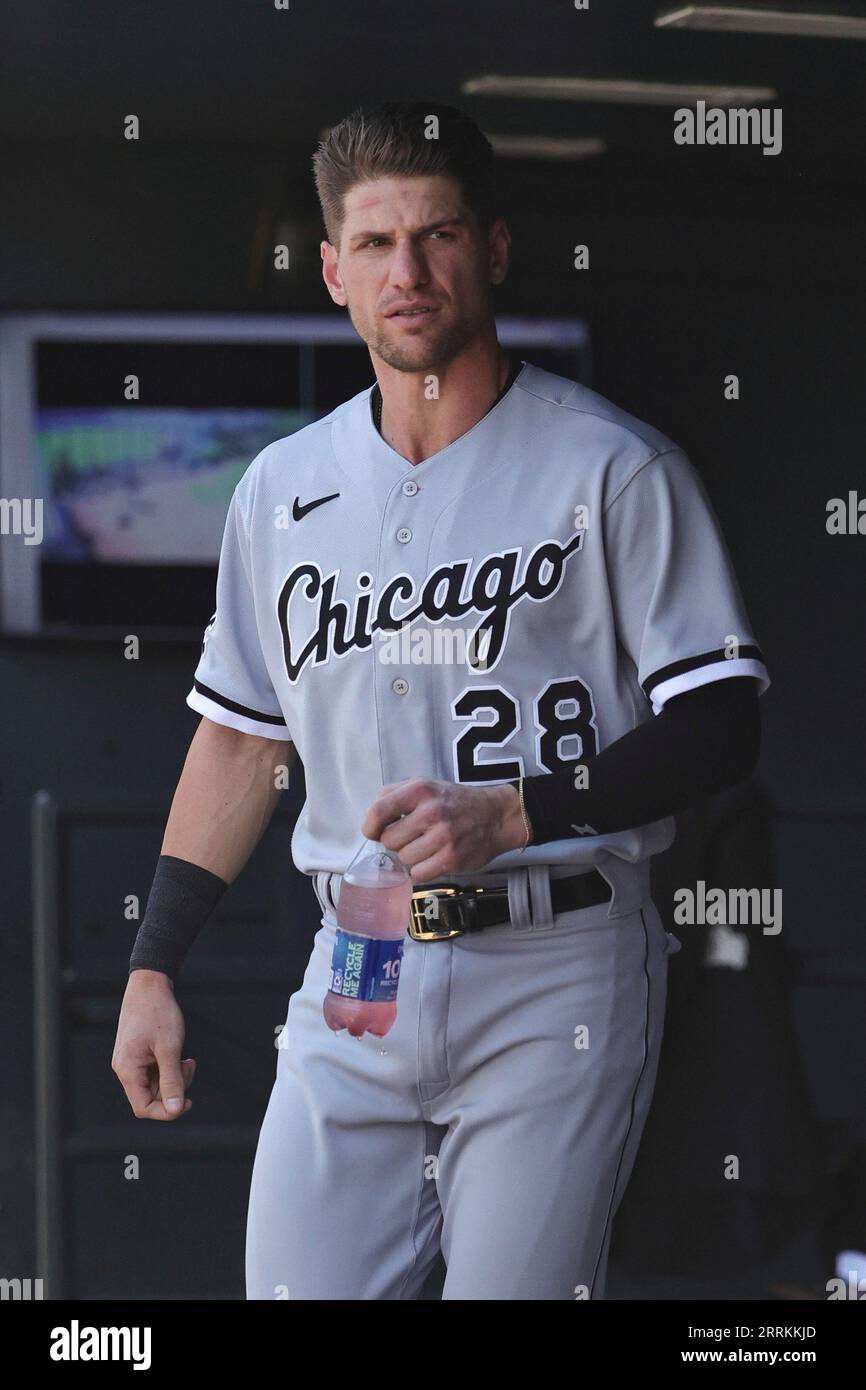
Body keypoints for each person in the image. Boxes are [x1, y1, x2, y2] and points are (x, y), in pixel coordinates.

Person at [112, 101, 770, 1300]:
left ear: (494, 250)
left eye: (436, 236)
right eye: (373, 246)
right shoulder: (280, 489)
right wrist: (153, 966)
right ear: (330, 271)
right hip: (358, 955)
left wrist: (516, 813)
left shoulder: (610, 466)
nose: (406, 273)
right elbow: (235, 740)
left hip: (555, 956)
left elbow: (723, 722)